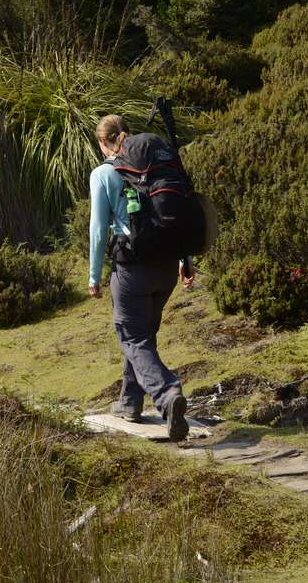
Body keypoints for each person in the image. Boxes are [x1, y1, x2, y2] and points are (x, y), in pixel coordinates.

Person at [89, 114, 195, 441]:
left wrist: (94, 276)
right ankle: (129, 402)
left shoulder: (104, 173)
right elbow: (172, 214)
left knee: (132, 337)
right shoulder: (154, 168)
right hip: (165, 267)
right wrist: (184, 260)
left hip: (131, 268)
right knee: (142, 335)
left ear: (103, 142)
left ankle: (167, 395)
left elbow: (97, 229)